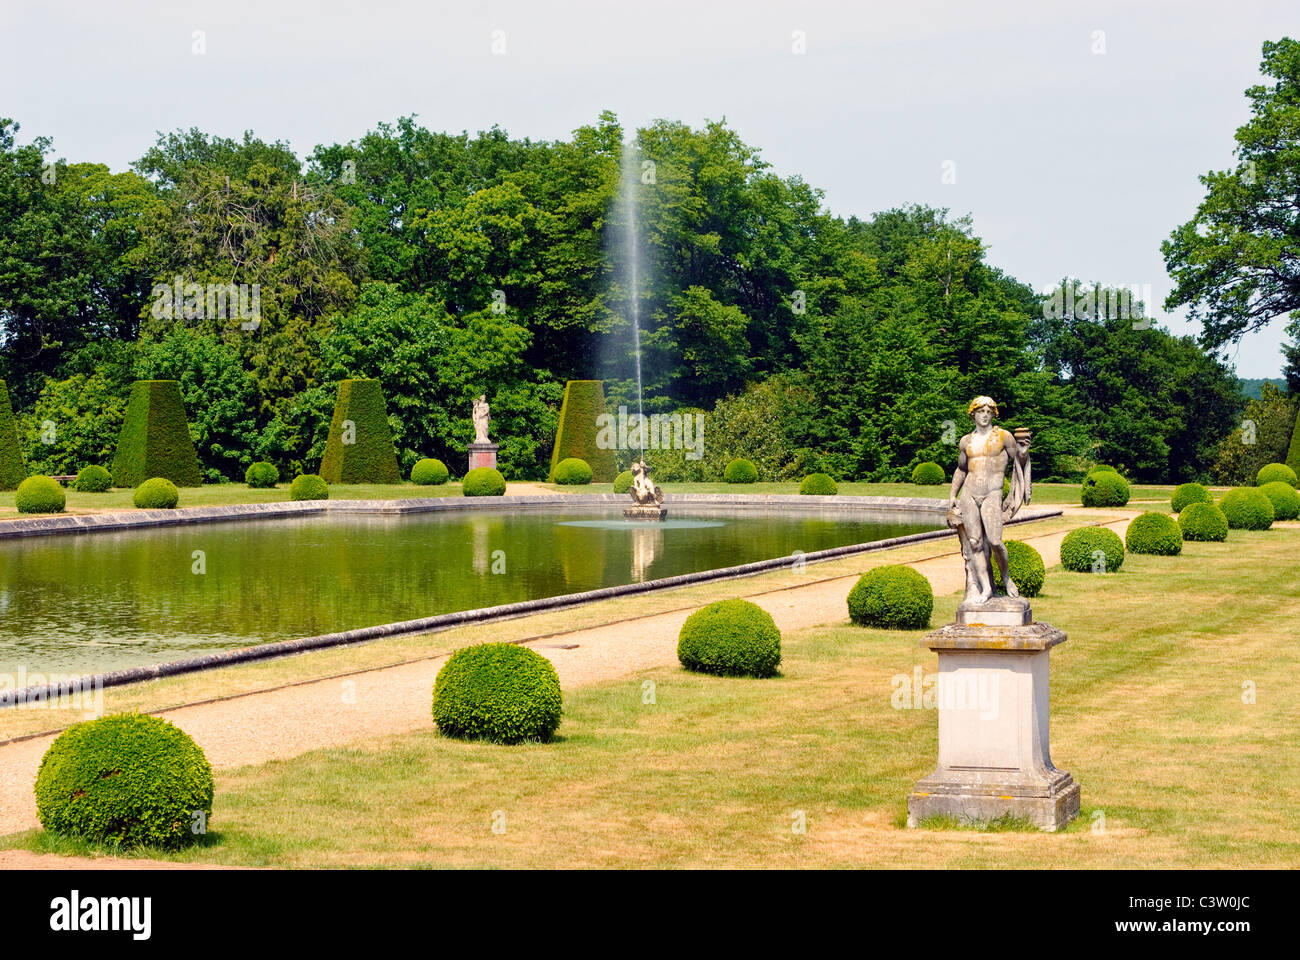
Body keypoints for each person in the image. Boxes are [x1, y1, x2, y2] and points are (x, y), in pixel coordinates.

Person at [947, 396, 1031, 603]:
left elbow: (1018, 459)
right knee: (974, 543)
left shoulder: (1003, 436)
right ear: (973, 414)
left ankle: (1005, 577)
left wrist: (1024, 453)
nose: (985, 415)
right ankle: (986, 589)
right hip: (969, 493)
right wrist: (952, 494)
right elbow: (961, 469)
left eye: (988, 411)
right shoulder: (965, 441)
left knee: (994, 541)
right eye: (980, 411)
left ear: (993, 414)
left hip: (992, 493)